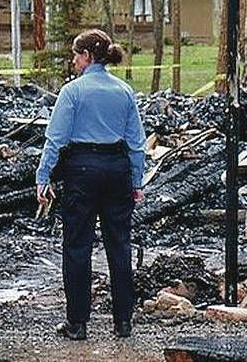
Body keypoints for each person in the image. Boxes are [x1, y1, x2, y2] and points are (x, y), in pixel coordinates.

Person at [35, 28, 146, 340]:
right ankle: (123, 321)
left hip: (82, 169)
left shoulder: (72, 92)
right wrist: (136, 180)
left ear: (87, 56)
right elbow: (137, 142)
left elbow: (55, 139)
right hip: (117, 168)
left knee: (77, 245)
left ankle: (78, 322)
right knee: (119, 244)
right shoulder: (124, 91)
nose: (73, 60)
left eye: (75, 54)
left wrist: (43, 176)